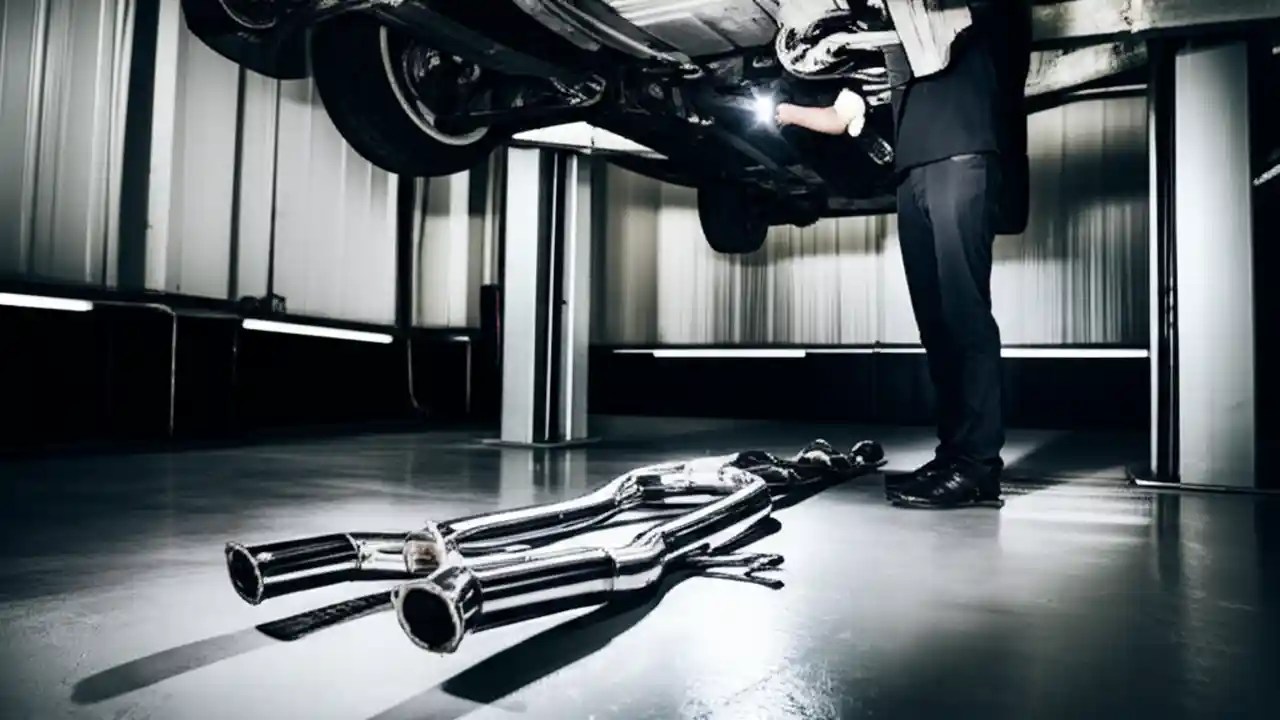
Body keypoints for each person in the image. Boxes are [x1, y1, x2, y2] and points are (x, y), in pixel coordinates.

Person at [775, 1, 1031, 509]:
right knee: (935, 322)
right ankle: (954, 454)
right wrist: (782, 111)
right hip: (912, 175)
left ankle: (979, 467)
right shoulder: (887, 51)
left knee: (964, 313)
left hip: (961, 157)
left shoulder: (961, 20)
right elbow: (838, 116)